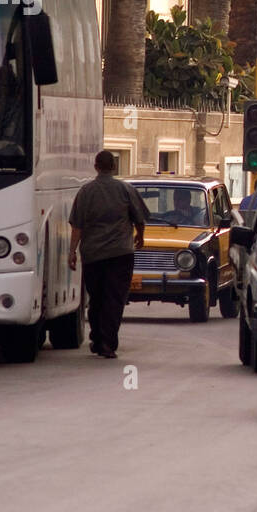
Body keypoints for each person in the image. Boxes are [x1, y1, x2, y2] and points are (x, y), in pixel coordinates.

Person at [69, 150, 149, 359]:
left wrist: (72, 252)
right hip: (121, 254)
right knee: (114, 298)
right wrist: (140, 237)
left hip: (93, 255)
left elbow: (77, 226)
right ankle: (108, 343)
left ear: (96, 166)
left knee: (96, 298)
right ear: (114, 167)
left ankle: (97, 338)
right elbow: (139, 219)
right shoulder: (125, 190)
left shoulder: (85, 192)